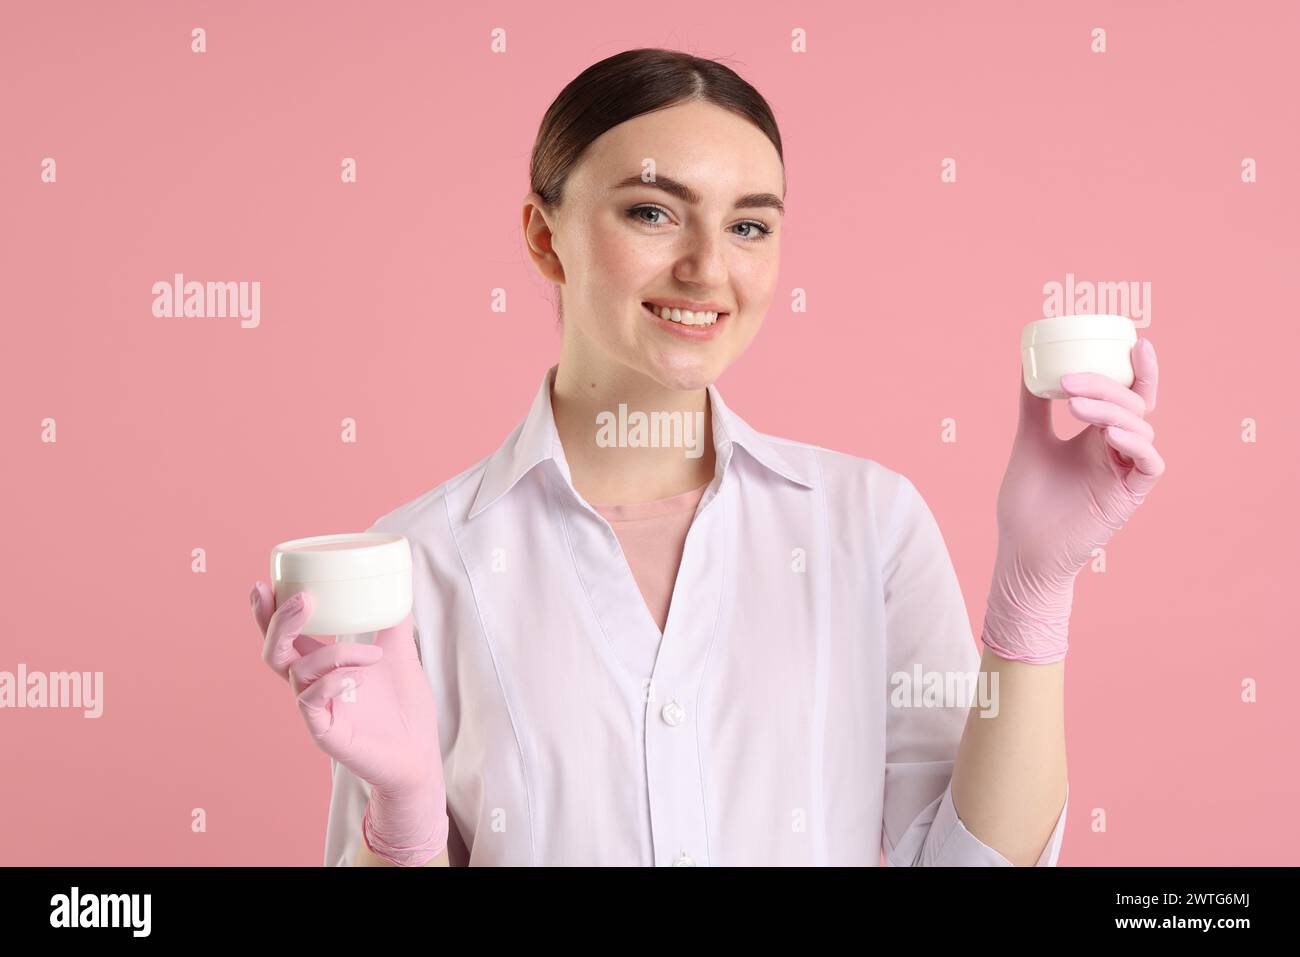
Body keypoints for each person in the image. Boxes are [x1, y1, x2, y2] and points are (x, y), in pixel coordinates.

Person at [250, 48, 1165, 867]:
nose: (707, 269)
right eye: (654, 212)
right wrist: (403, 819)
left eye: (750, 226)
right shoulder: (415, 562)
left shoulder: (866, 525)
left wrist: (1036, 591)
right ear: (543, 236)